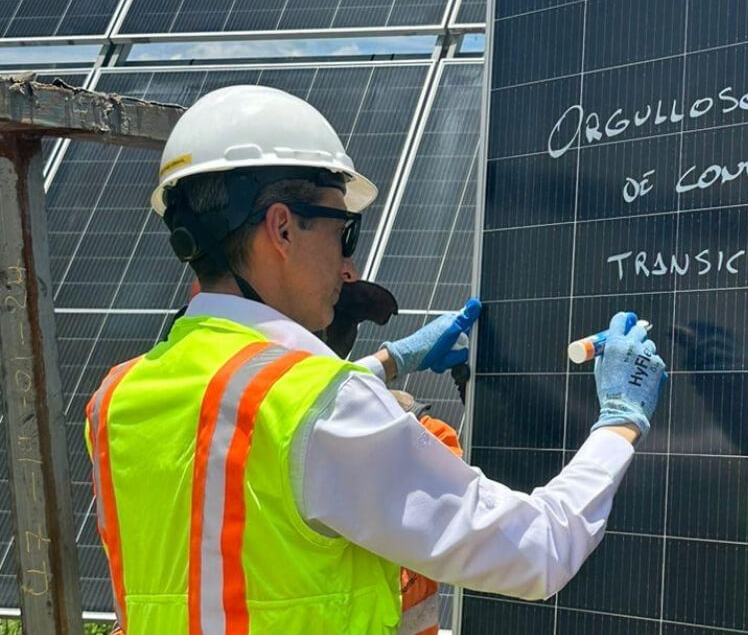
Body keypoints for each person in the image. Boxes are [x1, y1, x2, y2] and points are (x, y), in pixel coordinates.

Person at [84, 85, 668, 634]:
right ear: (282, 228)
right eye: (345, 232)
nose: (350, 267)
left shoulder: (118, 397)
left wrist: (390, 361)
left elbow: (253, 440)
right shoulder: (323, 407)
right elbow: (537, 551)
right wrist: (620, 419)